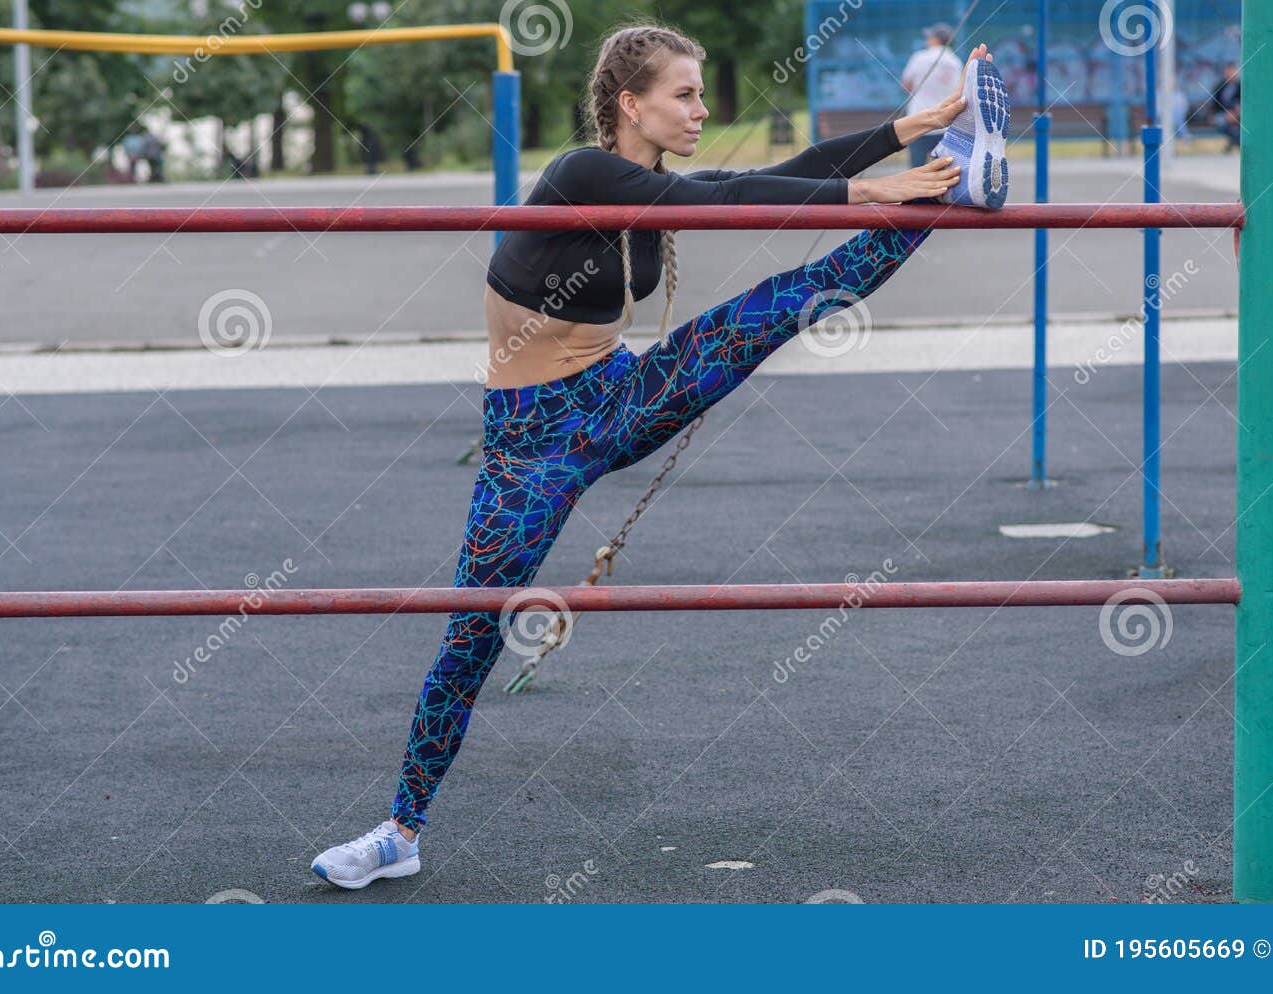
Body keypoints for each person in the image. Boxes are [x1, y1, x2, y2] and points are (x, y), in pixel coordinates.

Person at [309, 24, 1008, 890]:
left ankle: (956, 178)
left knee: (782, 305)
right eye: (685, 94)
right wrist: (871, 187)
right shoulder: (580, 173)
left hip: (620, 397)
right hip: (530, 446)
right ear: (629, 103)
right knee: (470, 632)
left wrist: (916, 130)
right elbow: (734, 194)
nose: (702, 109)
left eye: (701, 93)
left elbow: (768, 174)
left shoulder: (654, 190)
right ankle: (399, 832)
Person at [901, 22, 964, 167]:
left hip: (919, 122)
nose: (927, 39)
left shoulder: (919, 57)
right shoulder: (955, 62)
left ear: (936, 39)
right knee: (942, 171)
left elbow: (906, 85)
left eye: (930, 37)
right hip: (945, 125)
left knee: (916, 169)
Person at [1211, 62, 1241, 152]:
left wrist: (1235, 114)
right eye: (1229, 71)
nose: (1231, 73)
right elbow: (1215, 105)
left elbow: (1241, 104)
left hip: (1238, 115)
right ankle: (1236, 142)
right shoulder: (1219, 86)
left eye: (1233, 71)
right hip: (1223, 115)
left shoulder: (1241, 86)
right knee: (1221, 121)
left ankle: (1233, 143)